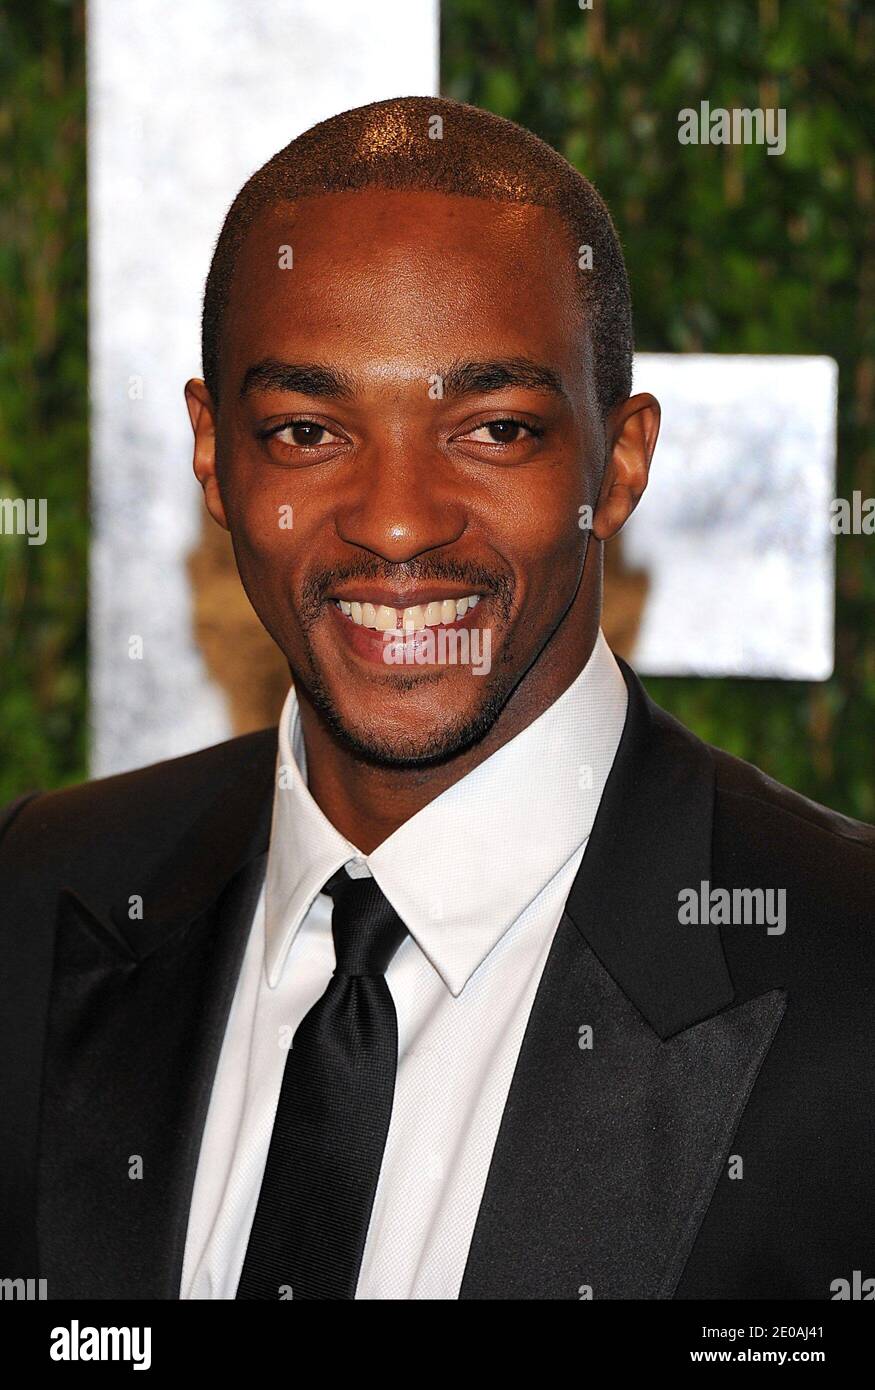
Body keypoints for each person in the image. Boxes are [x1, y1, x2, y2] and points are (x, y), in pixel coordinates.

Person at [1, 96, 873, 1302]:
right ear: (212, 453)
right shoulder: (34, 897)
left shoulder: (844, 971)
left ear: (619, 460)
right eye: (307, 430)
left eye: (493, 429)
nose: (398, 521)